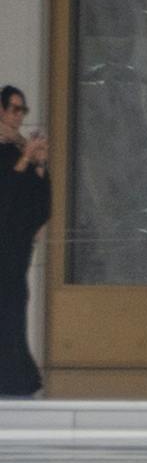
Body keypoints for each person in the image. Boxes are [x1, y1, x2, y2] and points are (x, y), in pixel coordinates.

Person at [0, 84, 46, 398]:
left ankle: (17, 373)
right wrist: (23, 161)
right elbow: (5, 194)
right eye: (14, 109)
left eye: (23, 110)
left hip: (16, 243)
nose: (19, 116)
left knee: (16, 303)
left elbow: (35, 197)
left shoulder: (18, 147)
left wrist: (39, 163)